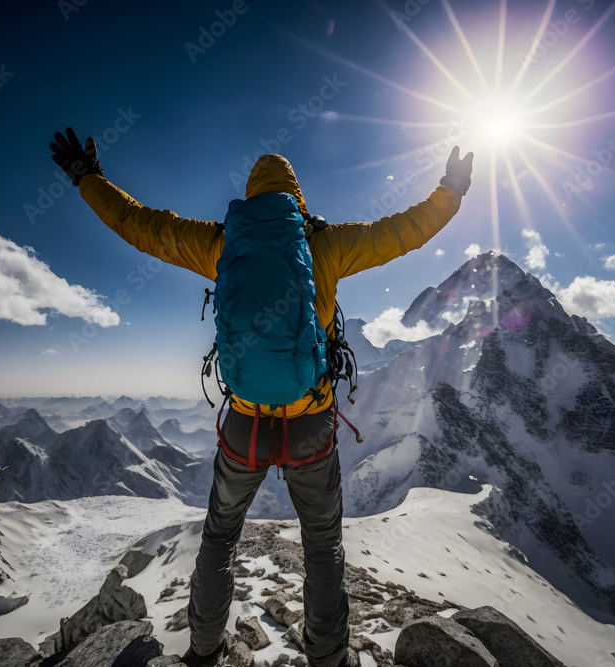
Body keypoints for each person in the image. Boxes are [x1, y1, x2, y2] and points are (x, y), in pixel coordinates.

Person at [50, 127, 473, 667]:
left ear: (251, 196)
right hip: (311, 427)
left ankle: (203, 653)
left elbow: (141, 226)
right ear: (297, 198)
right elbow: (405, 231)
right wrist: (452, 188)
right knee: (322, 549)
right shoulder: (325, 245)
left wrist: (88, 179)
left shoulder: (221, 242)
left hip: (245, 425)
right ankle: (327, 659)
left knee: (220, 539)